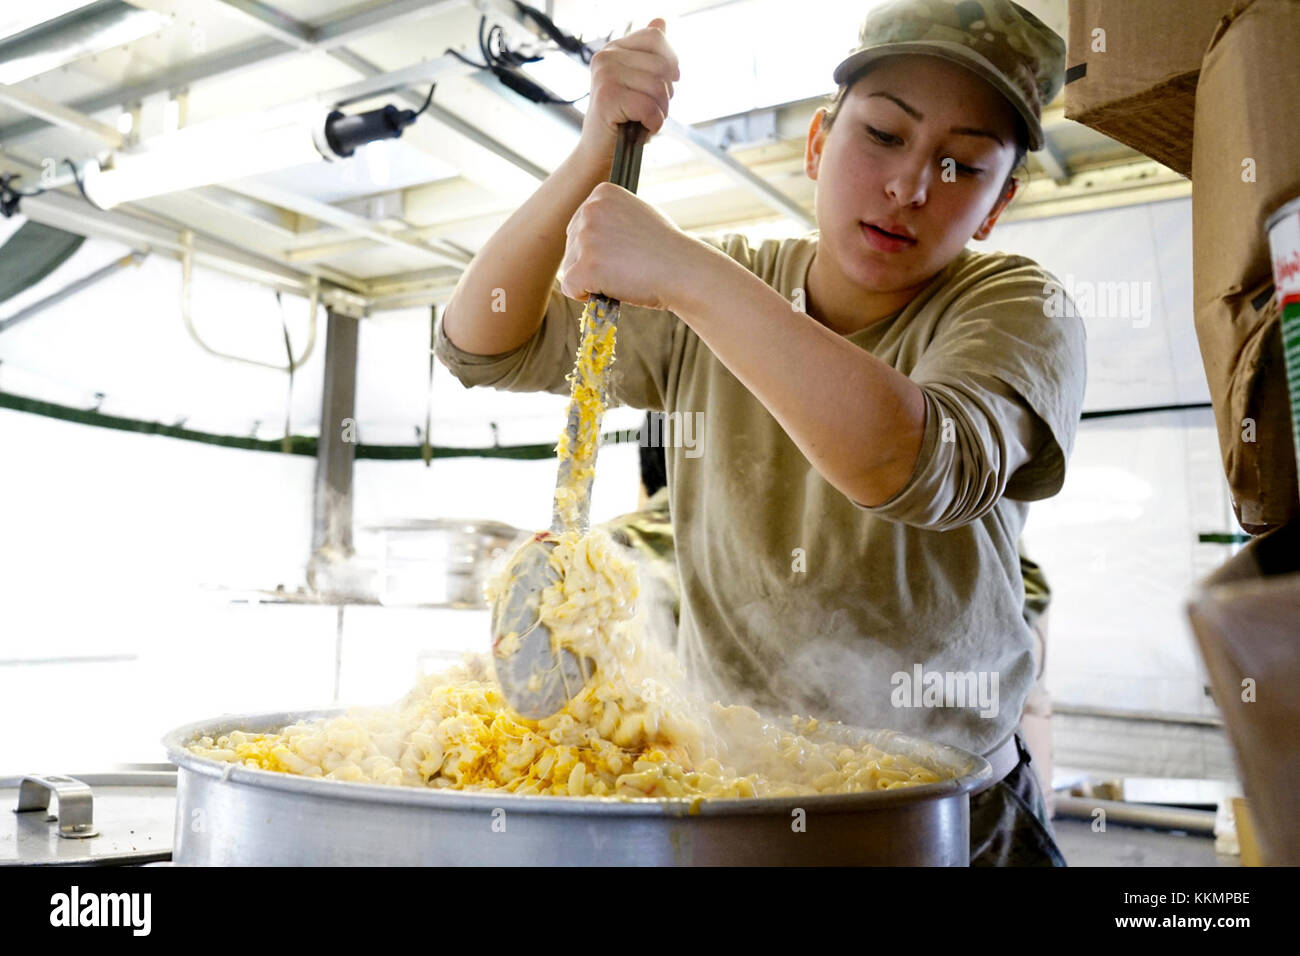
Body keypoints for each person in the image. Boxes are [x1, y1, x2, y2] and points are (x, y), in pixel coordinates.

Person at [436, 0, 1085, 866]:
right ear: (818, 143)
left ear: (1000, 205)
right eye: (884, 136)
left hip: (950, 809)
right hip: (735, 792)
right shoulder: (731, 286)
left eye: (964, 166)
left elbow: (912, 461)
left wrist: (683, 272)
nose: (910, 188)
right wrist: (597, 148)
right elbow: (485, 340)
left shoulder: (1012, 308)